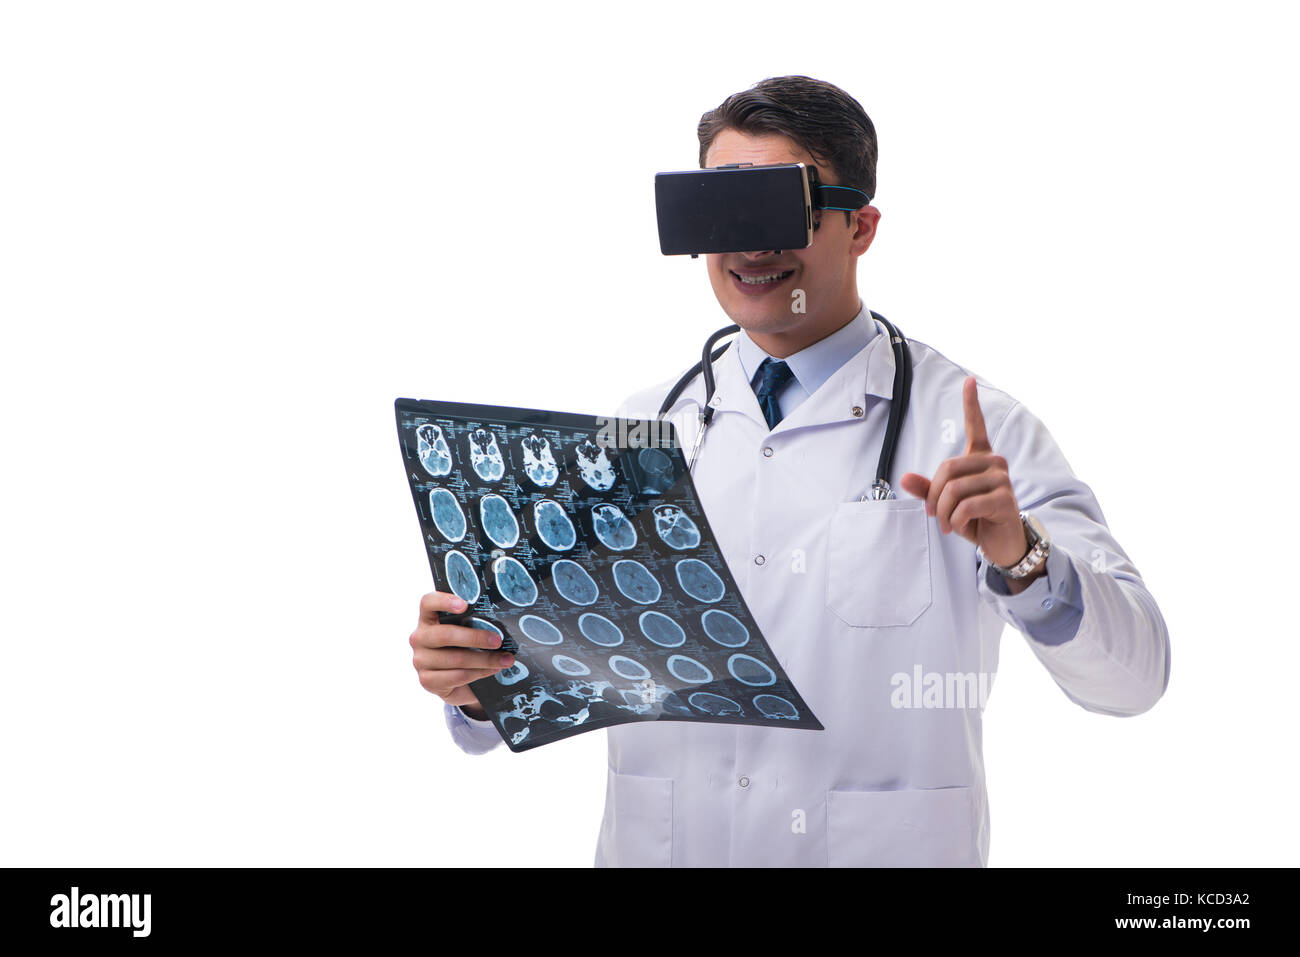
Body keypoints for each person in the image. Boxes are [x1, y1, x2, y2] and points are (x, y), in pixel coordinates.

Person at [410, 75, 1171, 866]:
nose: (749, 247)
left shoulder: (974, 428)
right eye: (719, 213)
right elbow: (569, 667)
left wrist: (1024, 553)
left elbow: (1136, 676)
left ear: (862, 226)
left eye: (777, 211)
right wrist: (477, 686)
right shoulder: (641, 430)